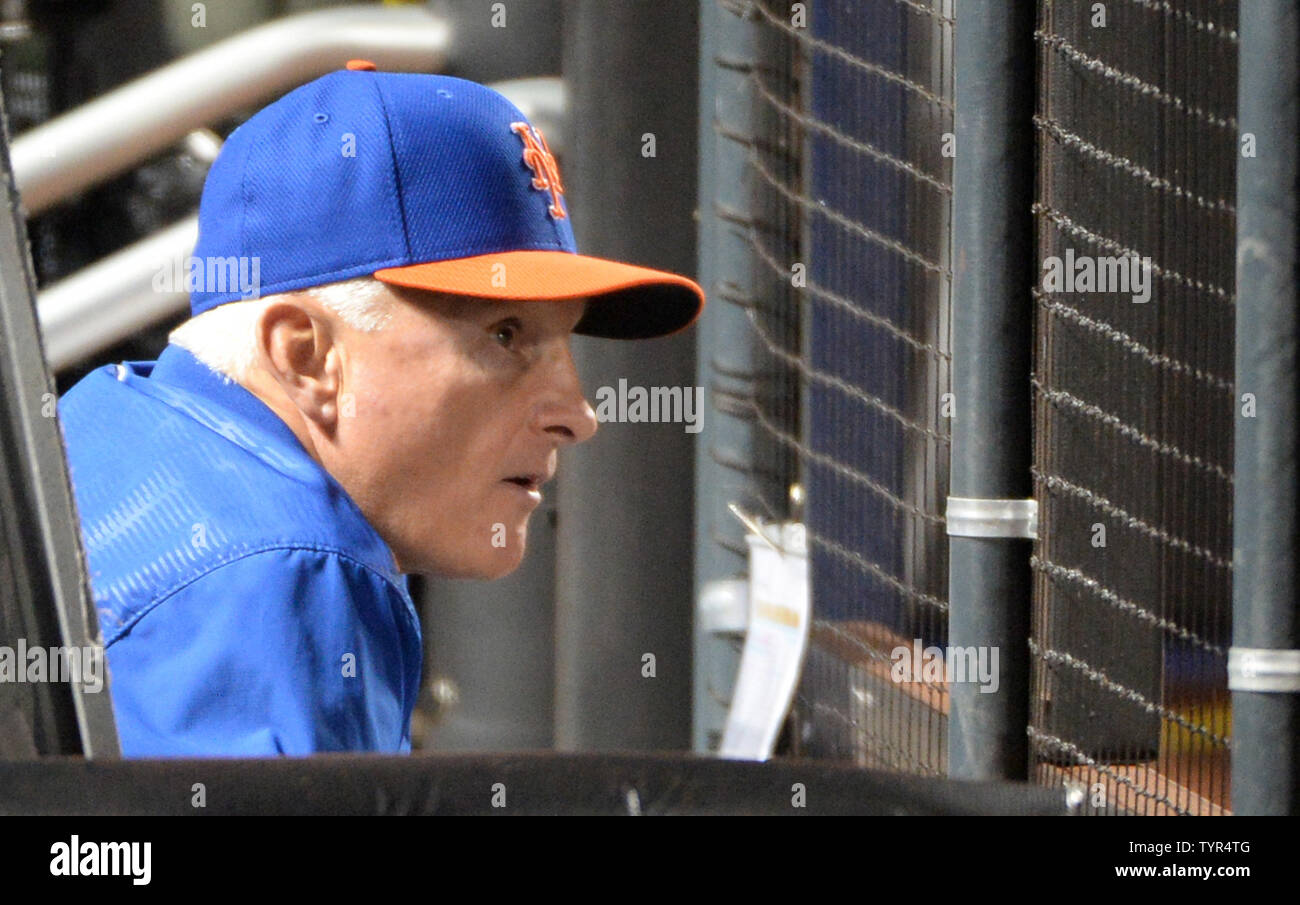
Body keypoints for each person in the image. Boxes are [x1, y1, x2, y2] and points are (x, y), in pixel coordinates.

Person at [56, 61, 704, 757]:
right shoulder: (290, 572)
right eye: (505, 334)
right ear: (306, 356)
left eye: (561, 338)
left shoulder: (105, 415)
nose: (577, 413)